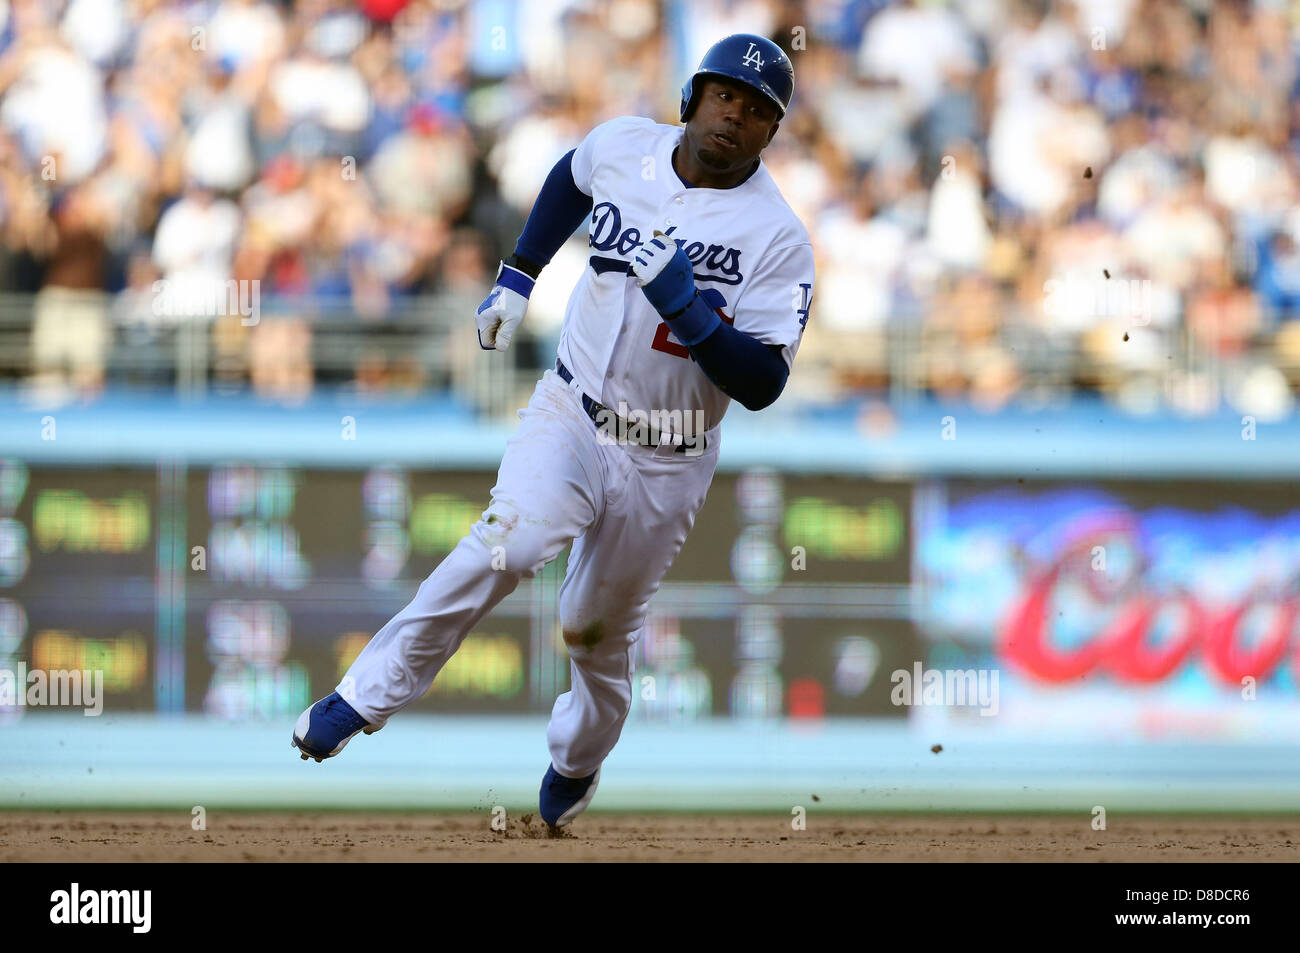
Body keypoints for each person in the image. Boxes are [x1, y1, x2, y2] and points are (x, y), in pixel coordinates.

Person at [291, 34, 815, 829]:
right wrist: (518, 272)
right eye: (723, 97)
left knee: (594, 632)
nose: (733, 117)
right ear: (692, 98)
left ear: (772, 133)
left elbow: (765, 382)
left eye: (755, 110)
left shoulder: (778, 235)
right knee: (509, 539)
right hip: (571, 409)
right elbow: (568, 178)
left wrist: (691, 309)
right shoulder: (623, 147)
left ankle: (577, 760)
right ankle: (362, 697)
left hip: (669, 451)